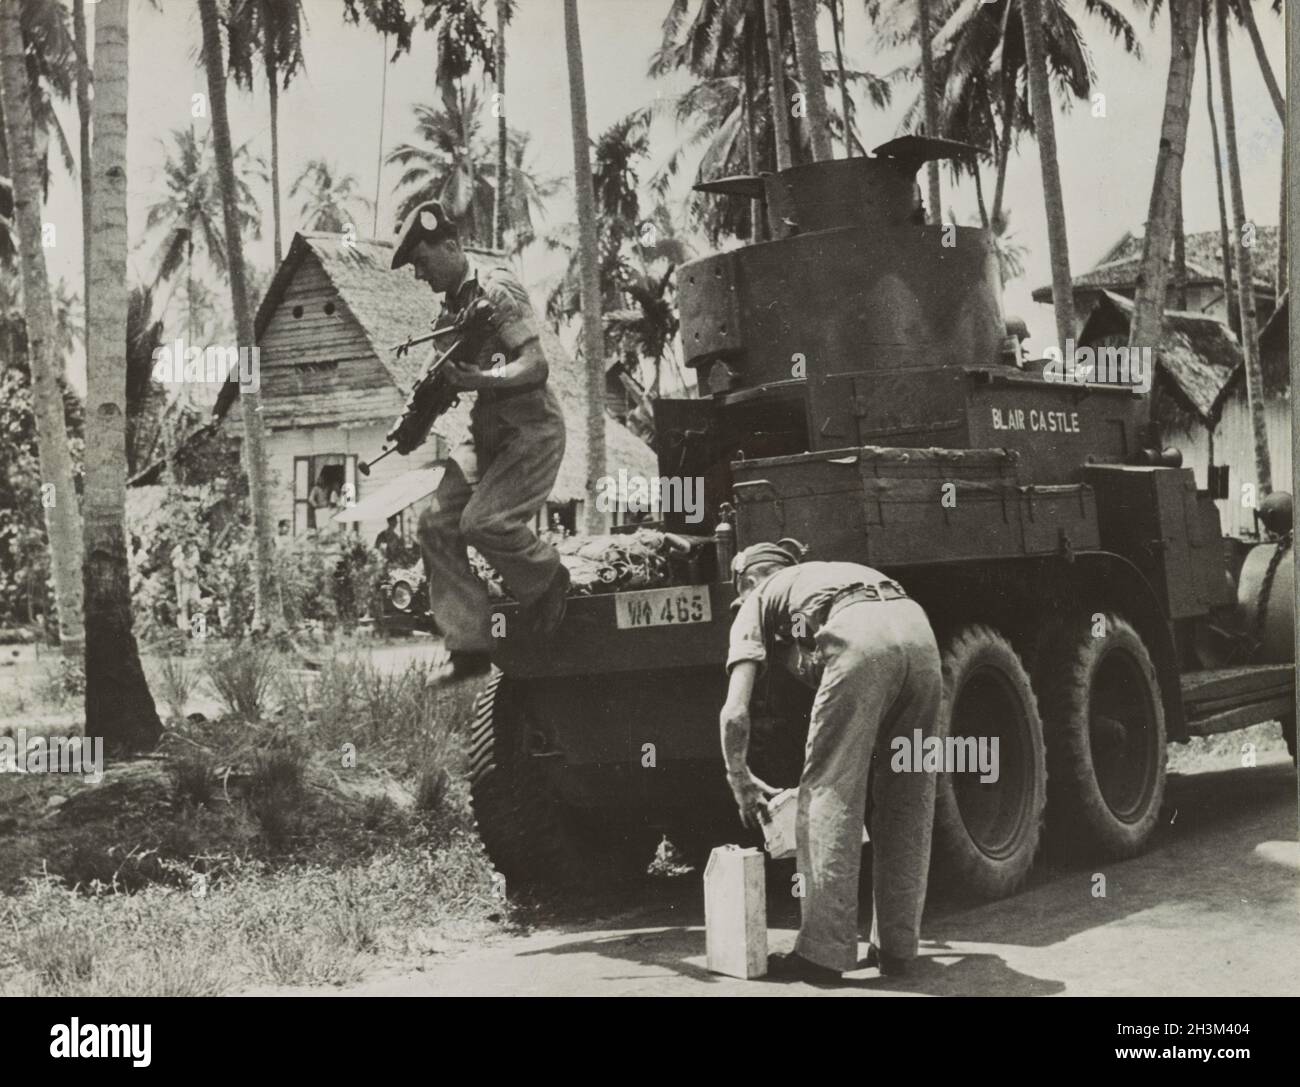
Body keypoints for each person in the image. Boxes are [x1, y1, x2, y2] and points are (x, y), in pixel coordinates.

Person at [719, 539, 942, 983]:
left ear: (745, 581)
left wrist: (738, 775)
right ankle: (898, 949)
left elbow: (734, 712)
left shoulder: (757, 599)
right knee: (908, 795)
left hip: (859, 636)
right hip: (919, 632)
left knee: (829, 790)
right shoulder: (821, 576)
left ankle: (823, 955)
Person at [391, 200, 569, 682]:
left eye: (423, 261)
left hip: (530, 429)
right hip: (486, 433)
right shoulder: (447, 317)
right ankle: (468, 646)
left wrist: (479, 382)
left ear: (450, 245)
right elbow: (450, 386)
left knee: (483, 522)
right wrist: (415, 423)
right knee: (435, 525)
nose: (419, 274)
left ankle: (548, 577)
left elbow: (536, 366)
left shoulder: (496, 288)